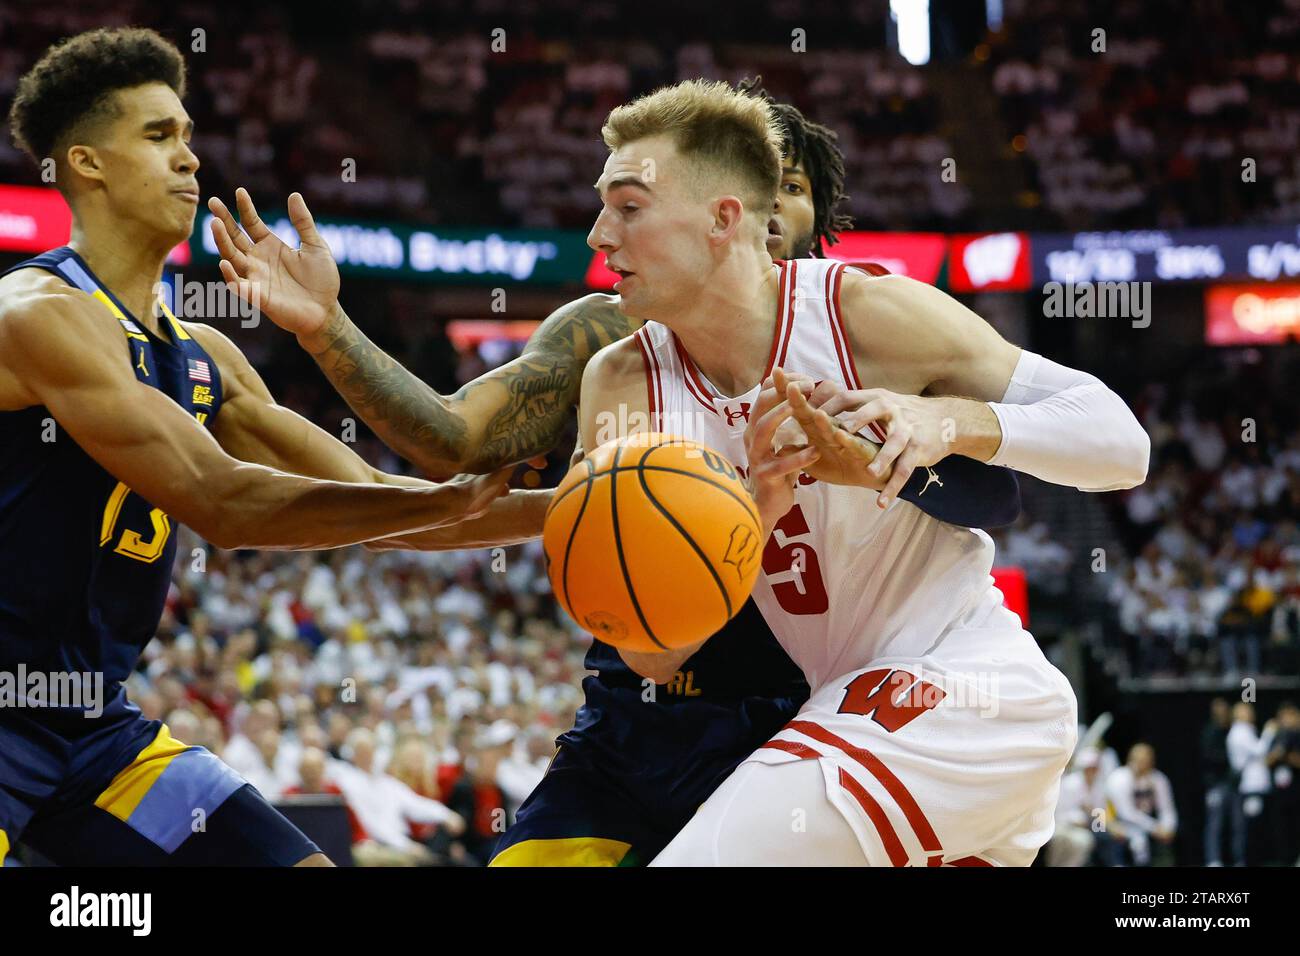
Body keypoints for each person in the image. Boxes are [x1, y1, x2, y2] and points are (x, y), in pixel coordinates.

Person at [208, 85, 1022, 866]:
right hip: (643, 711)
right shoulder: (612, 338)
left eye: (791, 188)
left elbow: (999, 494)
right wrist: (327, 329)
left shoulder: (868, 336)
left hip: (803, 713)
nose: (770, 208)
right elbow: (451, 438)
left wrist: (877, 460)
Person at [572, 78, 1149, 865]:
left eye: (628, 207)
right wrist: (757, 506)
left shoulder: (861, 315)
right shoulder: (620, 383)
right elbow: (649, 655)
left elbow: (1121, 445)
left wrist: (942, 423)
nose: (598, 234)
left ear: (722, 219)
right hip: (849, 706)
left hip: (962, 687)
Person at [0, 27, 520, 867]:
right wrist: (436, 499)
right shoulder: (35, 314)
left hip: (94, 726)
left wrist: (580, 504)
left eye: (190, 138)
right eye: (159, 136)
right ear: (87, 164)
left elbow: (386, 511)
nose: (190, 159)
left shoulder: (207, 356)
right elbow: (225, 502)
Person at [1106, 743, 1178, 866]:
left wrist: (1168, 827)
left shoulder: (1158, 779)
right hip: (1111, 818)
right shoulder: (1119, 778)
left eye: (1145, 761)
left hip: (1145, 820)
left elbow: (1167, 808)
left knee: (1163, 838)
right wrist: (1155, 828)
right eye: (1138, 760)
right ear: (1130, 760)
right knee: (1137, 840)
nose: (1141, 764)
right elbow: (1126, 812)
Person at [1227, 701, 1277, 865]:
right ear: (1238, 714)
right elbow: (1260, 750)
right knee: (1248, 828)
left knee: (1253, 827)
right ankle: (1244, 861)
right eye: (1247, 711)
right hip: (1250, 786)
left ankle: (1251, 860)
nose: (1252, 713)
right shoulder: (1240, 731)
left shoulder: (1246, 730)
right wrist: (1269, 731)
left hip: (1254, 785)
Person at [1200, 697, 1234, 865]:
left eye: (1224, 709)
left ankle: (1239, 860)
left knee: (1237, 825)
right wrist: (1232, 759)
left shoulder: (1234, 731)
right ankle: (1213, 860)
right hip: (1215, 785)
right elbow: (1209, 757)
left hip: (1234, 785)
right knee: (1215, 824)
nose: (1221, 713)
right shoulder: (1210, 732)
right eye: (1217, 710)